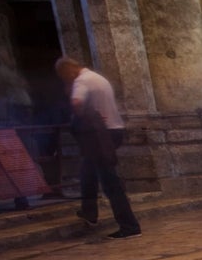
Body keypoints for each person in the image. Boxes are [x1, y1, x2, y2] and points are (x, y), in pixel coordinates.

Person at [55, 57, 140, 238]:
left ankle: (129, 226)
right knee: (88, 172)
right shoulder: (97, 78)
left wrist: (81, 116)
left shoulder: (81, 81)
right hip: (113, 130)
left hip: (99, 135)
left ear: (68, 72)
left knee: (110, 183)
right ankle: (89, 212)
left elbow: (77, 102)